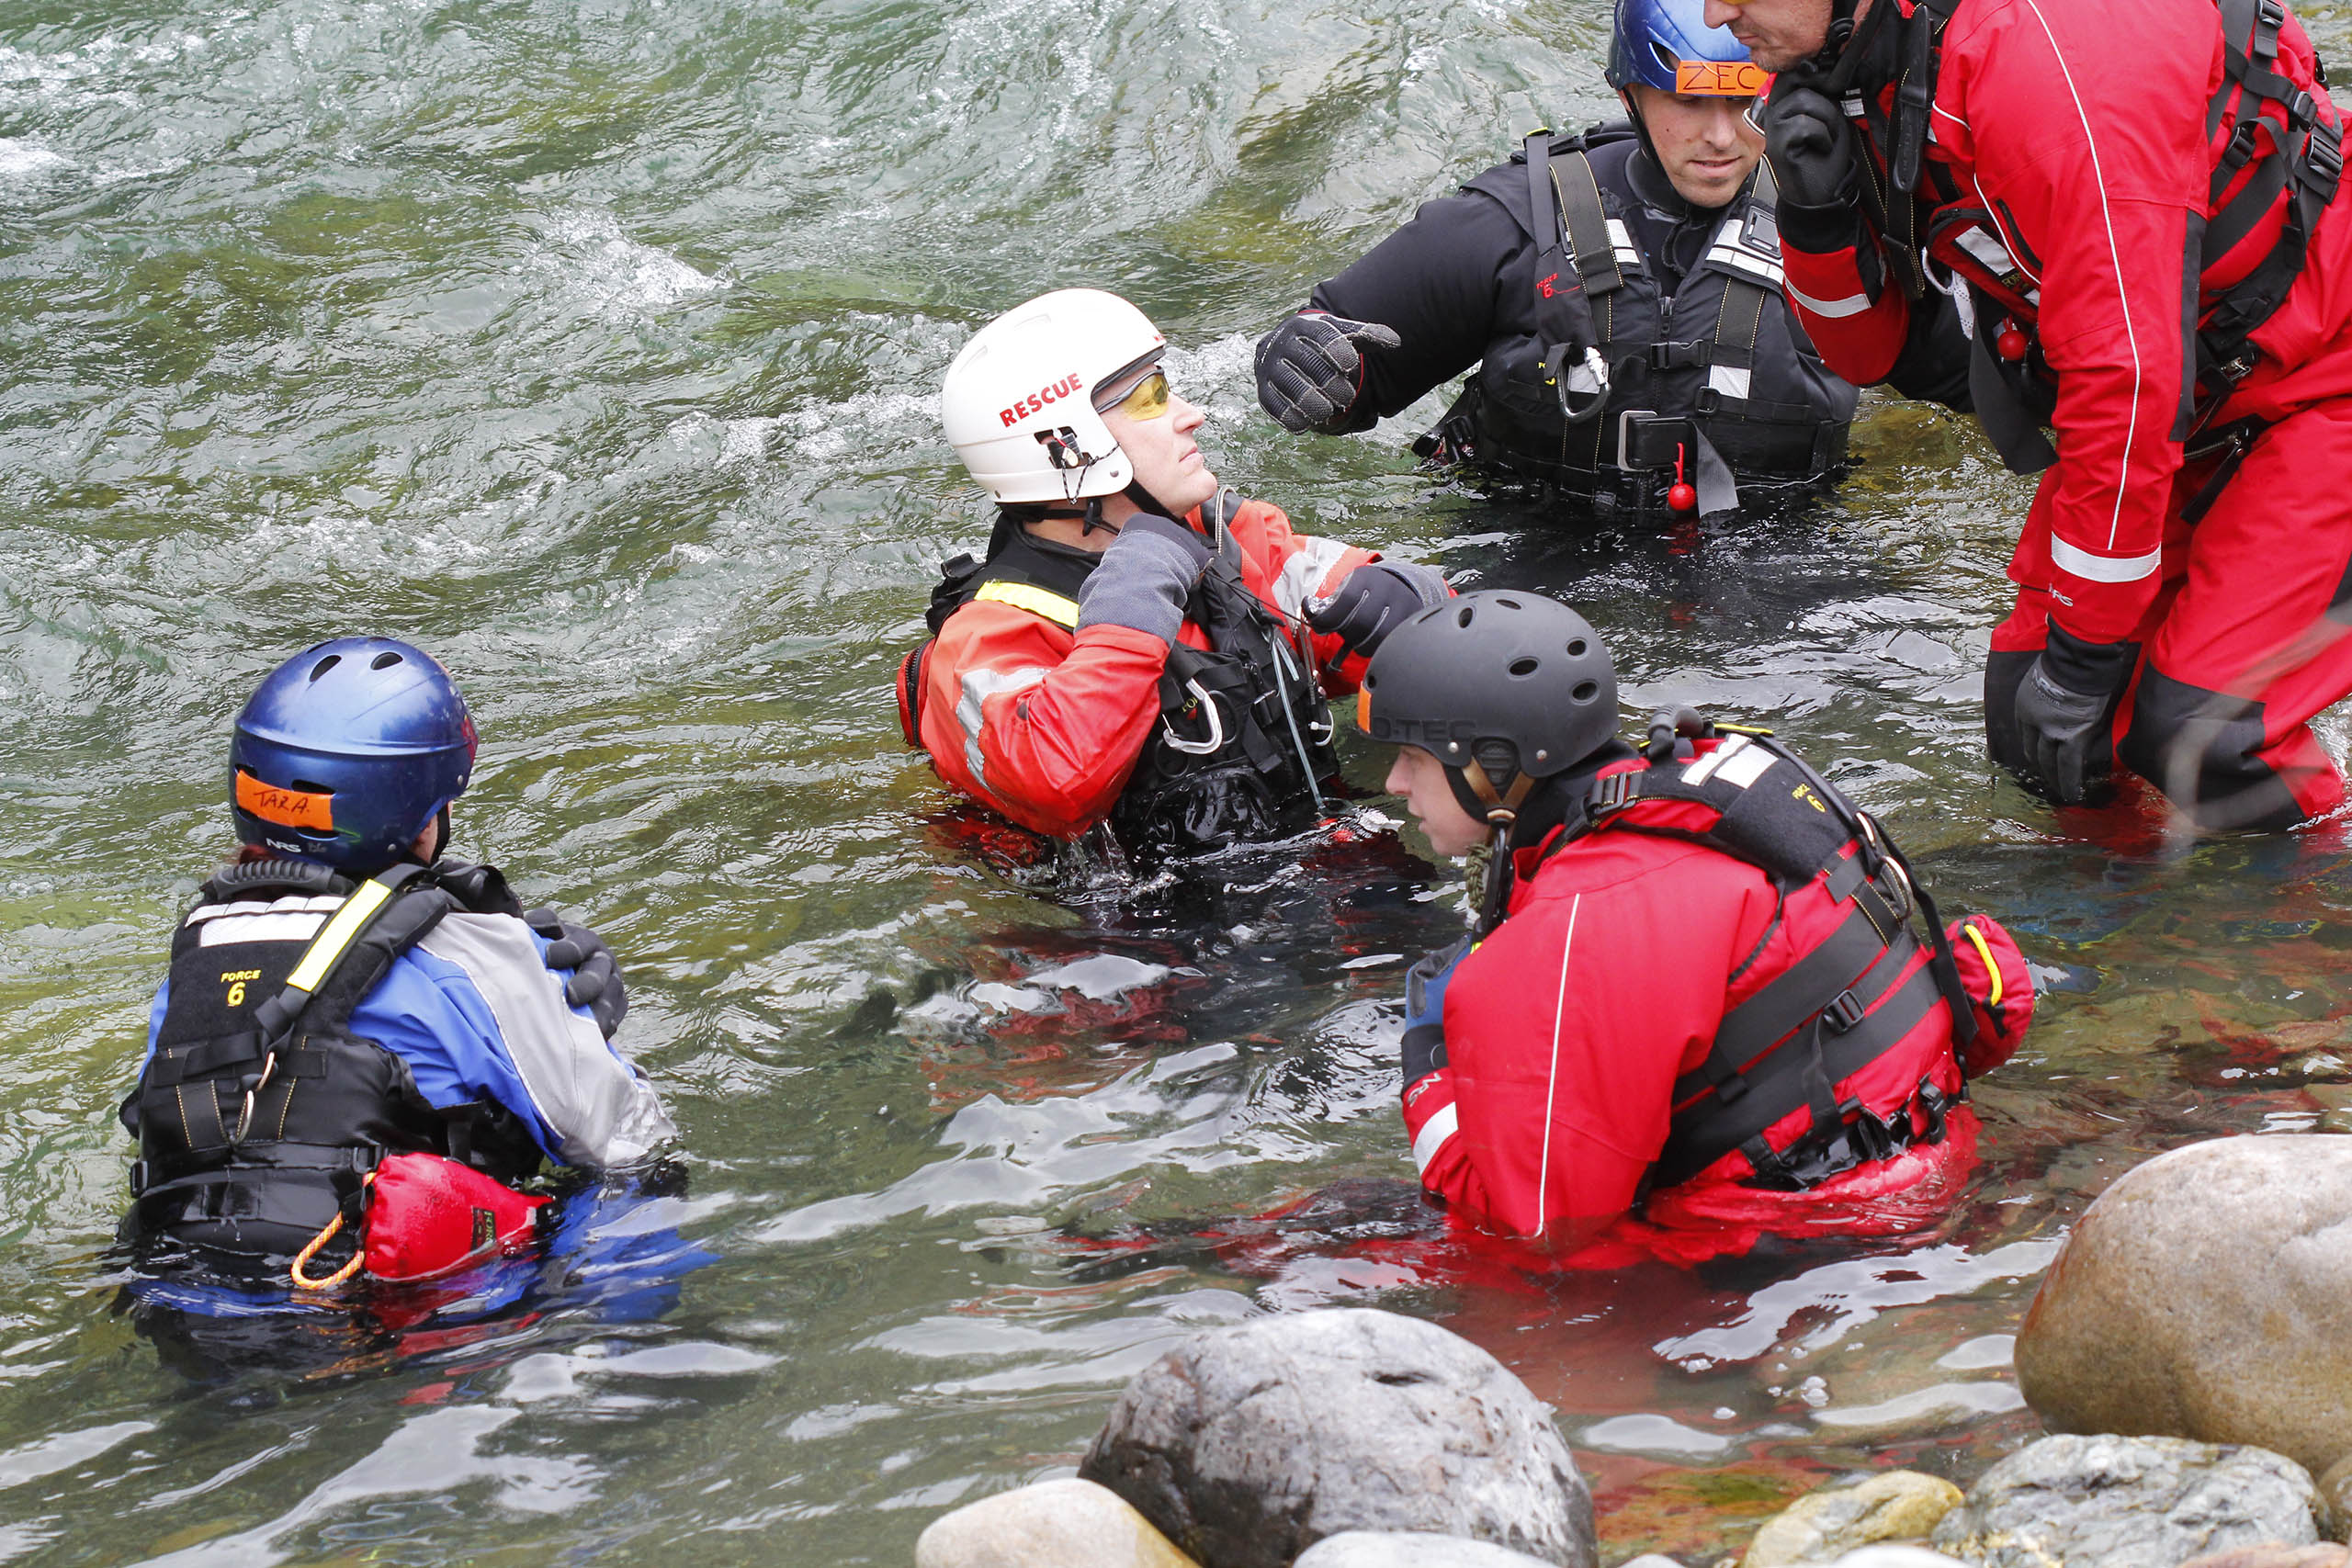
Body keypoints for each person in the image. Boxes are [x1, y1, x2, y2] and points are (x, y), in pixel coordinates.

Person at [1728, 0, 2352, 829]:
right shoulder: (1858, 66)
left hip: (2321, 377)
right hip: (2202, 399)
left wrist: (2087, 655)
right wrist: (1815, 217)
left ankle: (2301, 929)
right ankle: (2116, 938)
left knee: (2203, 736)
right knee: (2036, 723)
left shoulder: (2050, 58)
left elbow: (2126, 376)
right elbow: (1868, 358)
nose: (1715, 12)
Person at [1357, 591, 2032, 1259]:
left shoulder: (1585, 915)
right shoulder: (1712, 778)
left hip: (1825, 1240)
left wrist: (1428, 1068)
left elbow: (1537, 1224)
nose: (1393, 782)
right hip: (1932, 1147)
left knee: (1345, 1250)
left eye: (1413, 758)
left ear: (1493, 766)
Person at [1251, 0, 1968, 520]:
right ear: (1630, 93)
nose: (1721, 137)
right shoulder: (1508, 223)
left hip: (1779, 547)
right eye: (1688, 102)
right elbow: (1344, 355)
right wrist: (1303, 363)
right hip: (1537, 534)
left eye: (1745, 102)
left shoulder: (1849, 214)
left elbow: (1964, 373)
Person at [118, 637, 676, 1292]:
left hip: (183, 1305)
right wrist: (593, 1028)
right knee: (647, 1188)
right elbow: (627, 1141)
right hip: (397, 1325)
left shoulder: (190, 967)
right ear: (421, 823)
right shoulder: (476, 951)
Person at [899, 287, 1450, 858]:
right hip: (1137, 937)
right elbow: (1057, 781)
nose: (1192, 415)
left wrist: (1414, 606)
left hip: (1316, 864)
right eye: (1151, 397)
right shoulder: (982, 640)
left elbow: (1428, 624)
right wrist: (1132, 607)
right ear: (1065, 446)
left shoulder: (1226, 536)